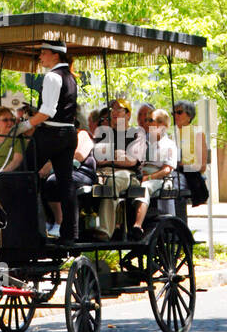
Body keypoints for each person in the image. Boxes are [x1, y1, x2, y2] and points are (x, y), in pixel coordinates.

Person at [21, 40, 79, 242]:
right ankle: (69, 234)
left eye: (43, 53)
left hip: (51, 135)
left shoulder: (53, 77)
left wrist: (25, 125)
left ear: (55, 55)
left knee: (24, 175)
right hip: (69, 134)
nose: (40, 57)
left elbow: (47, 111)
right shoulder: (71, 77)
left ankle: (26, 229)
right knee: (66, 183)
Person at [92, 99, 146, 237]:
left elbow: (131, 161)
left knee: (113, 181)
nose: (114, 112)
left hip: (128, 175)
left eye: (119, 109)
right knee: (85, 182)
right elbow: (97, 158)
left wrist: (108, 158)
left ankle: (104, 230)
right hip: (102, 172)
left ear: (128, 114)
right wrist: (116, 155)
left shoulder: (136, 134)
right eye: (112, 110)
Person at [41, 115, 98, 240]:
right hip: (64, 171)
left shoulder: (82, 134)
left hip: (82, 172)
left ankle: (59, 222)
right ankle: (45, 221)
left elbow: (79, 155)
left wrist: (52, 164)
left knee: (55, 181)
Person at [132, 109, 176, 238]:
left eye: (151, 120)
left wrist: (149, 177)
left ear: (161, 125)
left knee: (144, 188)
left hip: (158, 177)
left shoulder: (169, 145)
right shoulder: (145, 141)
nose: (148, 123)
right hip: (141, 174)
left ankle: (137, 225)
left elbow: (167, 169)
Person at [173, 100, 209, 205]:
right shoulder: (171, 134)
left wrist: (183, 165)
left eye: (179, 112)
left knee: (170, 183)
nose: (176, 115)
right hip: (171, 172)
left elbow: (202, 167)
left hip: (189, 175)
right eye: (173, 113)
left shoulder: (197, 133)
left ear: (189, 116)